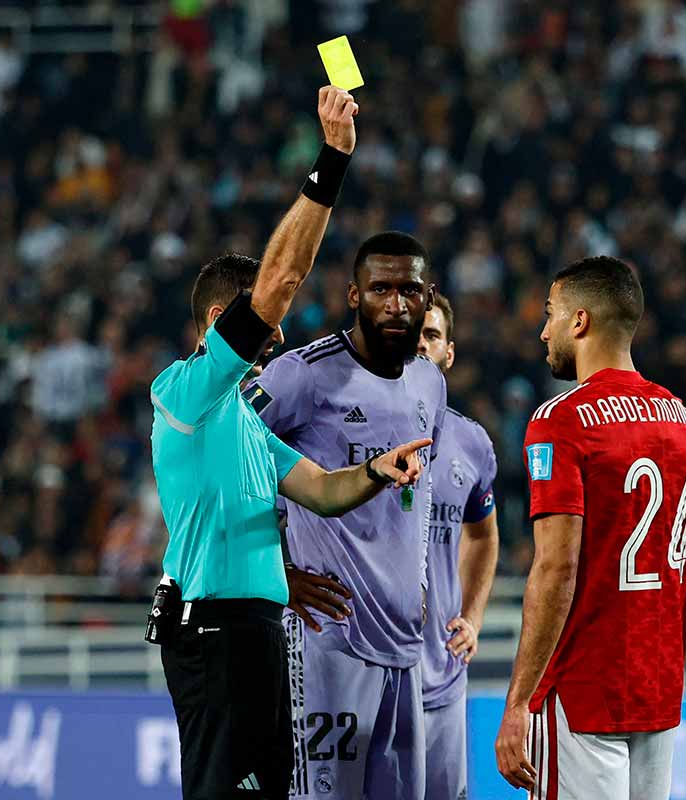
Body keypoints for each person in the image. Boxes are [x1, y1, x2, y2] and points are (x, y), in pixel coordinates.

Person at [150, 89, 432, 800]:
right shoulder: (185, 394)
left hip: (255, 632)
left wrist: (376, 468)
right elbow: (281, 279)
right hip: (213, 634)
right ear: (220, 321)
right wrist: (331, 163)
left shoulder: (241, 421)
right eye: (262, 324)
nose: (278, 337)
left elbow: (323, 490)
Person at [494, 256, 686, 800]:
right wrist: (664, 668)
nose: (543, 330)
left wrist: (520, 700)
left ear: (580, 321)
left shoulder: (560, 421)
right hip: (656, 692)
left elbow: (556, 565)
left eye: (550, 314)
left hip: (579, 689)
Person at [246, 231, 447, 800]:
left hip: (407, 645)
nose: (396, 303)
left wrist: (420, 579)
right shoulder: (301, 375)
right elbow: (222, 465)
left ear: (428, 297)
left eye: (409, 289)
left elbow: (416, 498)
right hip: (329, 638)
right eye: (380, 288)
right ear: (353, 295)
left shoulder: (429, 382)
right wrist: (272, 574)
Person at [416, 294, 500, 800]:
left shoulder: (472, 444)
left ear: (449, 352)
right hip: (365, 667)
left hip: (442, 673)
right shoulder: (350, 428)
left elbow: (484, 535)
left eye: (433, 335)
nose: (422, 344)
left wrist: (473, 616)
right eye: (415, 335)